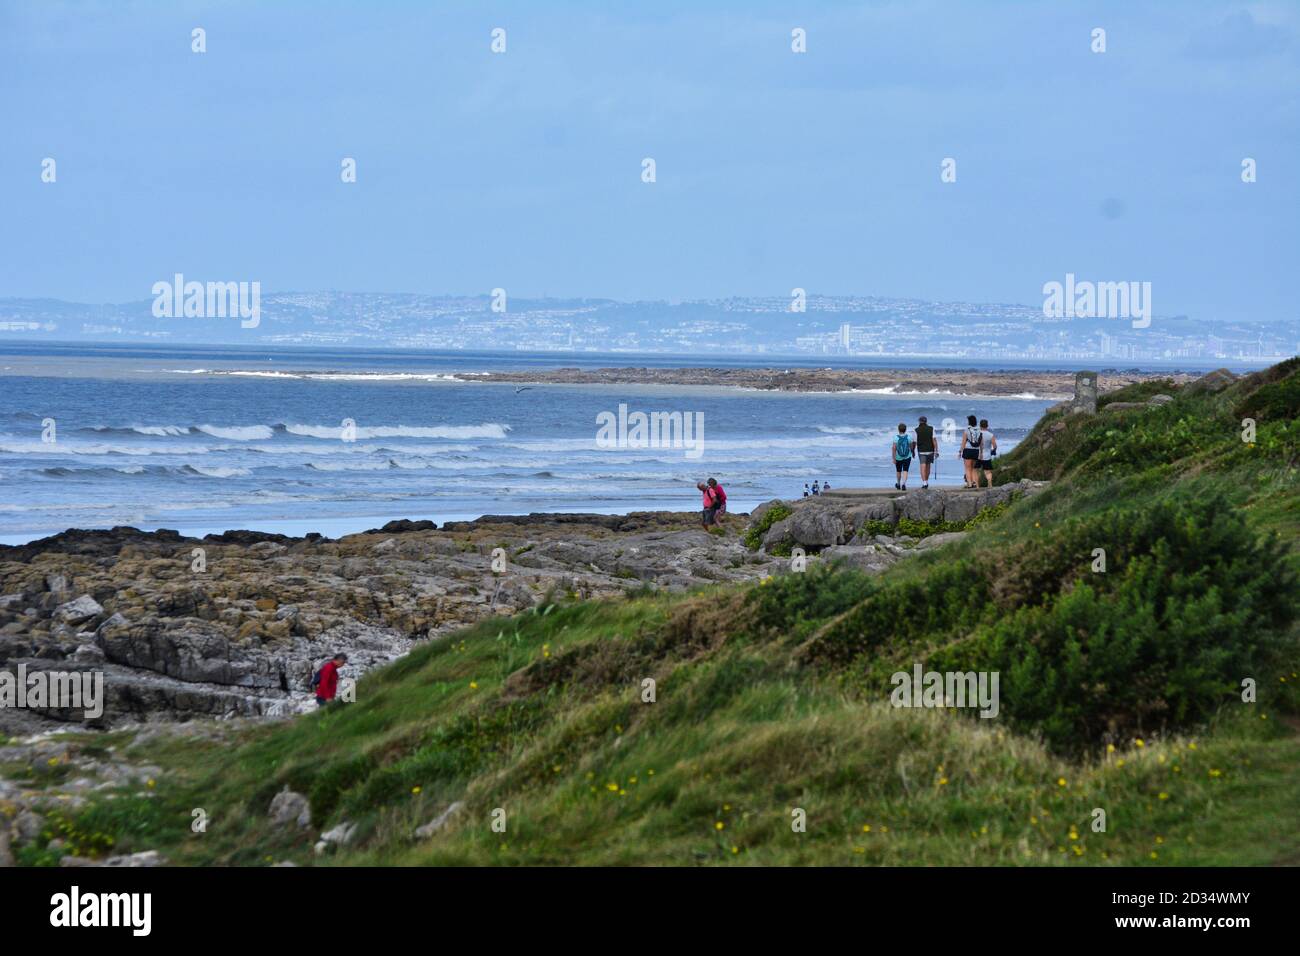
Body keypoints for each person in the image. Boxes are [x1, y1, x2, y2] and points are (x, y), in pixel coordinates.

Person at [914, 415, 936, 489]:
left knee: (922, 466)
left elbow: (915, 442)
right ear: (926, 421)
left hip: (921, 451)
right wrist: (936, 450)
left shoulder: (916, 430)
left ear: (919, 421)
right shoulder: (931, 429)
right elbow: (934, 440)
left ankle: (924, 483)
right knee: (928, 466)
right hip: (930, 450)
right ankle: (926, 481)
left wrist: (913, 450)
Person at [960, 414, 981, 488]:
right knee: (974, 468)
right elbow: (981, 442)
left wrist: (960, 451)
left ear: (969, 422)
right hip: (976, 450)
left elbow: (963, 442)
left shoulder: (967, 429)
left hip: (968, 450)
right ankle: (974, 482)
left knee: (967, 468)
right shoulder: (979, 429)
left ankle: (969, 483)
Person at [891, 422, 913, 490]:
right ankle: (904, 484)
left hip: (898, 457)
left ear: (898, 430)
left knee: (898, 471)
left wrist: (894, 458)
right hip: (907, 456)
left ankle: (898, 484)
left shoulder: (896, 438)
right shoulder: (909, 437)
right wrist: (912, 452)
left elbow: (894, 448)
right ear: (905, 430)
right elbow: (911, 447)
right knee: (905, 470)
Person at [977, 419, 998, 487]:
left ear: (980, 426)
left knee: (978, 471)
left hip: (978, 455)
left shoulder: (977, 434)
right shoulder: (990, 435)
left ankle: (977, 485)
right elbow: (994, 445)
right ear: (987, 426)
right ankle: (989, 483)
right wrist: (993, 450)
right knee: (987, 471)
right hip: (987, 455)